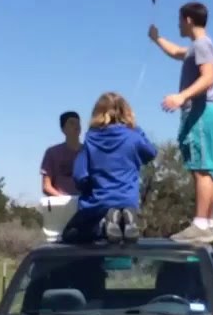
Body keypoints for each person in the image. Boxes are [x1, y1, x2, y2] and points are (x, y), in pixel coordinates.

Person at [148, 1, 213, 245]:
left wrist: (182, 96)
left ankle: (200, 224)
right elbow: (177, 52)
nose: (178, 25)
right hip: (204, 111)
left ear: (188, 20)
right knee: (206, 168)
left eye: (179, 20)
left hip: (200, 111)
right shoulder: (197, 46)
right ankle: (207, 224)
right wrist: (157, 39)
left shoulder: (201, 44)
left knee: (201, 169)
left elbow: (208, 77)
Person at [63, 92, 158, 244]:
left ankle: (103, 224)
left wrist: (87, 188)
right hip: (128, 200)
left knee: (69, 234)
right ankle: (127, 216)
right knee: (121, 225)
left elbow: (79, 176)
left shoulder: (91, 138)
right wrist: (136, 129)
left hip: (99, 204)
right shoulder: (133, 137)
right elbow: (151, 153)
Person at [40, 111, 81, 197]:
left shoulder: (89, 152)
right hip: (60, 203)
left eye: (78, 123)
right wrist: (64, 200)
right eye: (72, 123)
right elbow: (46, 186)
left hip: (86, 203)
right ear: (63, 129)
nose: (76, 126)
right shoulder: (52, 153)